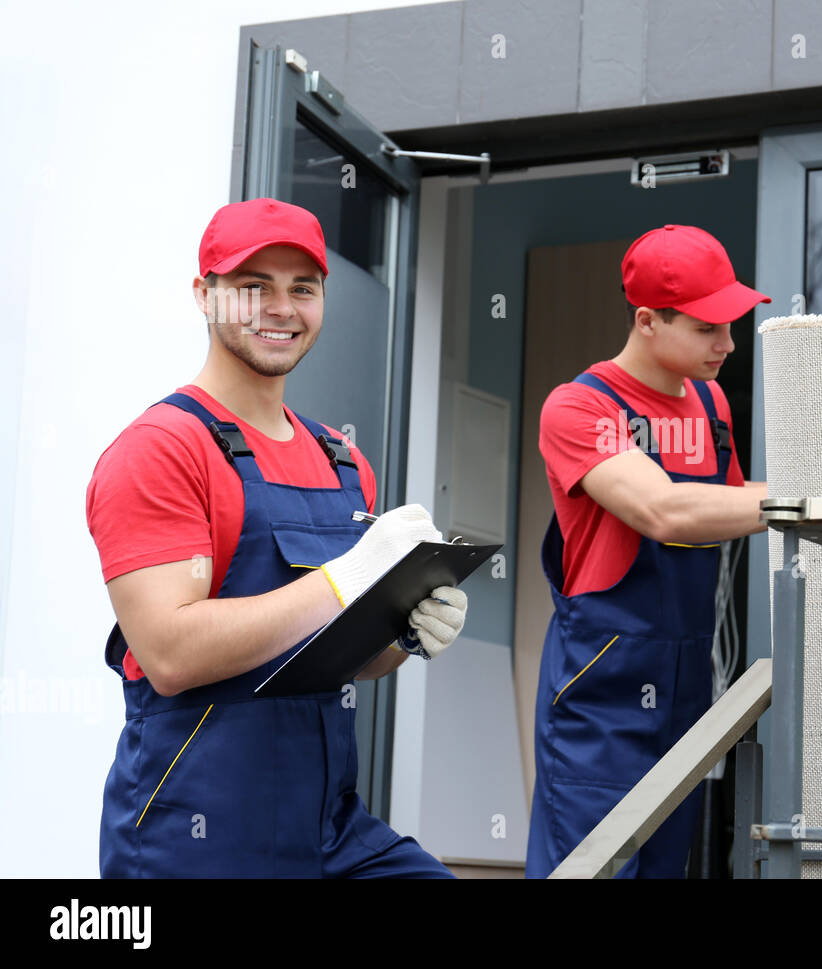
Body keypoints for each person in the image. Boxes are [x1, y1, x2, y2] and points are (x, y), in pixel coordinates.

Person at [87, 198, 466, 878]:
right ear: (205, 295)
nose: (281, 307)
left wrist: (406, 631)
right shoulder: (162, 450)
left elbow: (345, 654)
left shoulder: (342, 461)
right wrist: (344, 579)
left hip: (328, 830)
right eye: (253, 286)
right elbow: (169, 652)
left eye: (303, 288)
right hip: (197, 837)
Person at [526, 224, 770, 877]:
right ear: (646, 320)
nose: (728, 344)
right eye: (707, 327)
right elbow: (664, 511)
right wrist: (805, 500)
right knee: (594, 864)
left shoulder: (713, 401)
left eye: (732, 323)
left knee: (665, 864)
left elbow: (731, 509)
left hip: (689, 677)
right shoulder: (580, 407)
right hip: (604, 679)